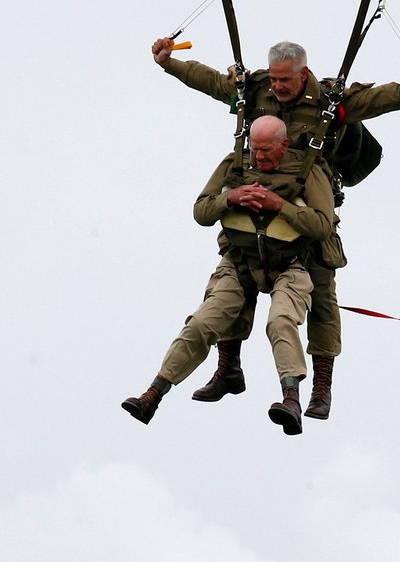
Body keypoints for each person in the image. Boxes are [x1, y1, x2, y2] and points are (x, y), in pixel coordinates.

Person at [151, 37, 400, 420]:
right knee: (235, 278)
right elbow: (217, 84)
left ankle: (320, 389)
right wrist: (170, 64)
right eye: (274, 79)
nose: (278, 87)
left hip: (306, 207)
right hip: (254, 208)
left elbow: (374, 101)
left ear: (303, 74)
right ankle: (228, 369)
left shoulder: (328, 102)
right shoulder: (257, 91)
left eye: (285, 80)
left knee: (320, 298)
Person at [122, 116, 335, 436]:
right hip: (239, 262)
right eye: (256, 149)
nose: (260, 157)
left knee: (280, 321)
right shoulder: (234, 165)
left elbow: (322, 225)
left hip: (290, 264)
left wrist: (280, 205)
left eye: (267, 151)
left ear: (284, 145)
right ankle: (154, 393)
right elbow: (202, 211)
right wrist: (230, 199)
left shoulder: (309, 169)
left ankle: (291, 398)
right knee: (201, 322)